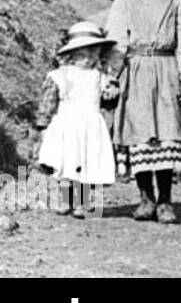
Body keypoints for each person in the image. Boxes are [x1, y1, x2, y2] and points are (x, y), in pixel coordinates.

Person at [106, 0, 181, 224]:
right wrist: (112, 77)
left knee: (167, 138)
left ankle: (165, 202)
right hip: (134, 73)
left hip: (167, 70)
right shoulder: (124, 0)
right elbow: (116, 42)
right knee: (140, 138)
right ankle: (145, 198)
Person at [34, 22, 120, 219]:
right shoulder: (61, 75)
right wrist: (43, 124)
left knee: (87, 165)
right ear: (71, 54)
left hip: (91, 126)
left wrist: (112, 94)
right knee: (67, 164)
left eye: (92, 54)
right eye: (82, 55)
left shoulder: (100, 76)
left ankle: (83, 202)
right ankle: (66, 200)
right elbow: (48, 101)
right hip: (67, 125)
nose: (87, 59)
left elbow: (108, 102)